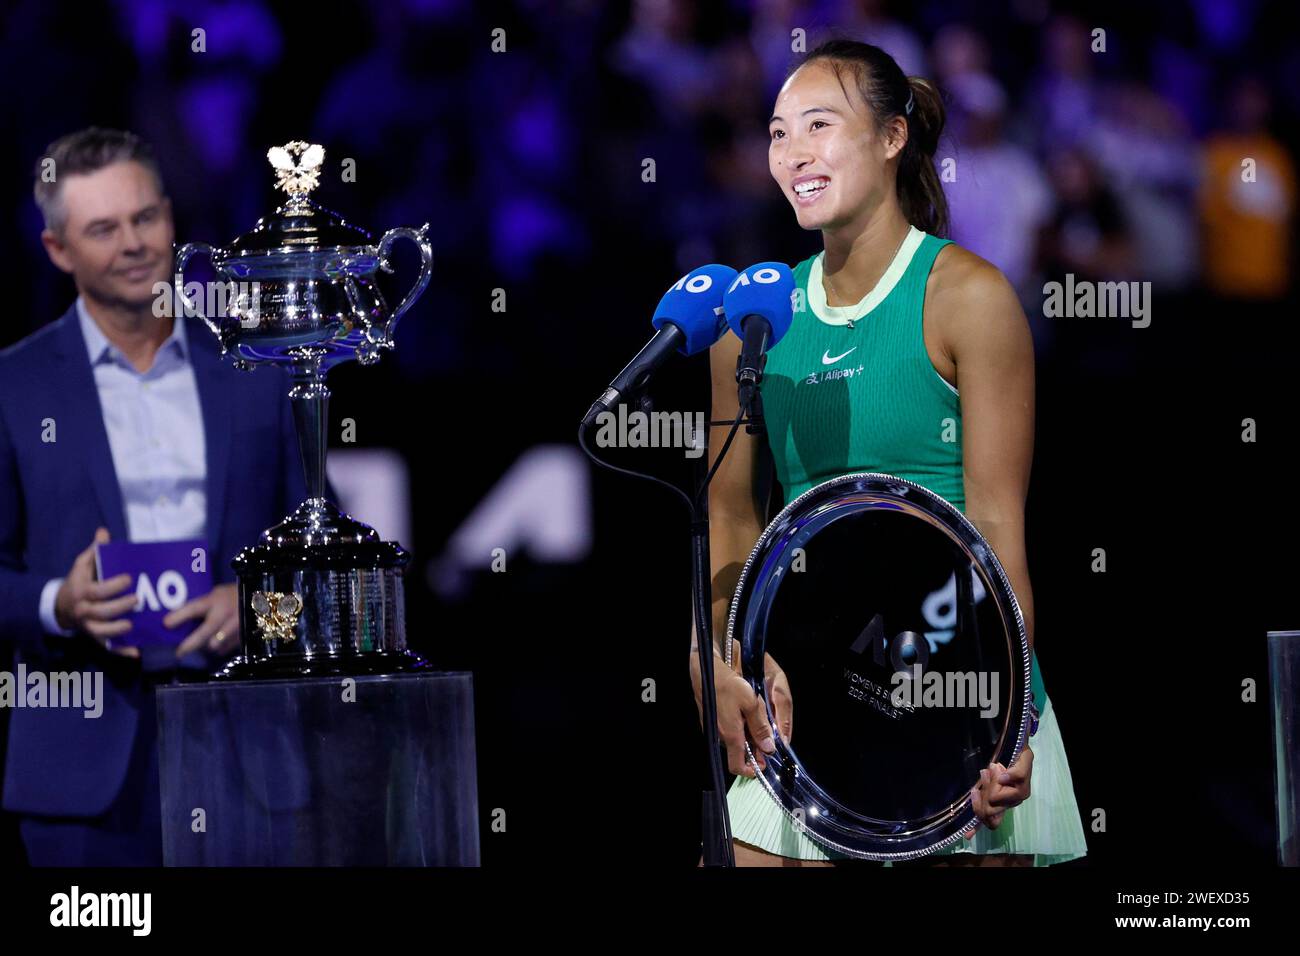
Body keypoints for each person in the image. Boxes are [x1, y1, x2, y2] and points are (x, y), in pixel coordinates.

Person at [691, 40, 1088, 867]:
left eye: (819, 125)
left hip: (958, 706)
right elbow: (729, 512)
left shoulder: (970, 300)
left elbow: (995, 529)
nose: (792, 152)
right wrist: (715, 655)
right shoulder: (747, 326)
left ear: (892, 137)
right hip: (806, 716)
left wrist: (1000, 726)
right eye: (775, 133)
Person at [0, 127, 308, 865]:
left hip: (250, 753)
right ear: (58, 250)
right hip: (80, 774)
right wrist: (58, 602)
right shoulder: (14, 386)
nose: (134, 243)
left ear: (171, 217)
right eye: (103, 228)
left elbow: (310, 544)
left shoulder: (256, 368)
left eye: (146, 218)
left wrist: (261, 604)